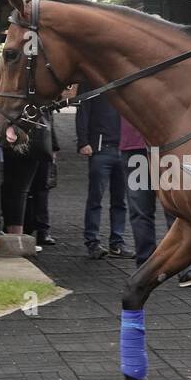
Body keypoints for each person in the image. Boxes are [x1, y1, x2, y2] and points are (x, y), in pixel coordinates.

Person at [121, 113, 191, 286]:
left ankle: (177, 267)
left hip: (158, 145)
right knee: (147, 210)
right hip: (152, 145)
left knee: (171, 209)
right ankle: (152, 268)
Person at [76, 91, 128, 260]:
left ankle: (116, 242)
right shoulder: (91, 84)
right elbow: (82, 112)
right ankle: (94, 242)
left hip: (120, 148)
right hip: (101, 149)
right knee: (97, 199)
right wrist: (83, 142)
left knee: (118, 200)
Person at [23, 110, 59, 250]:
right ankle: (30, 227)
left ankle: (41, 229)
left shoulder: (44, 101)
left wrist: (54, 147)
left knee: (41, 189)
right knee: (26, 189)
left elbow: (50, 122)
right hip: (28, 146)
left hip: (42, 146)